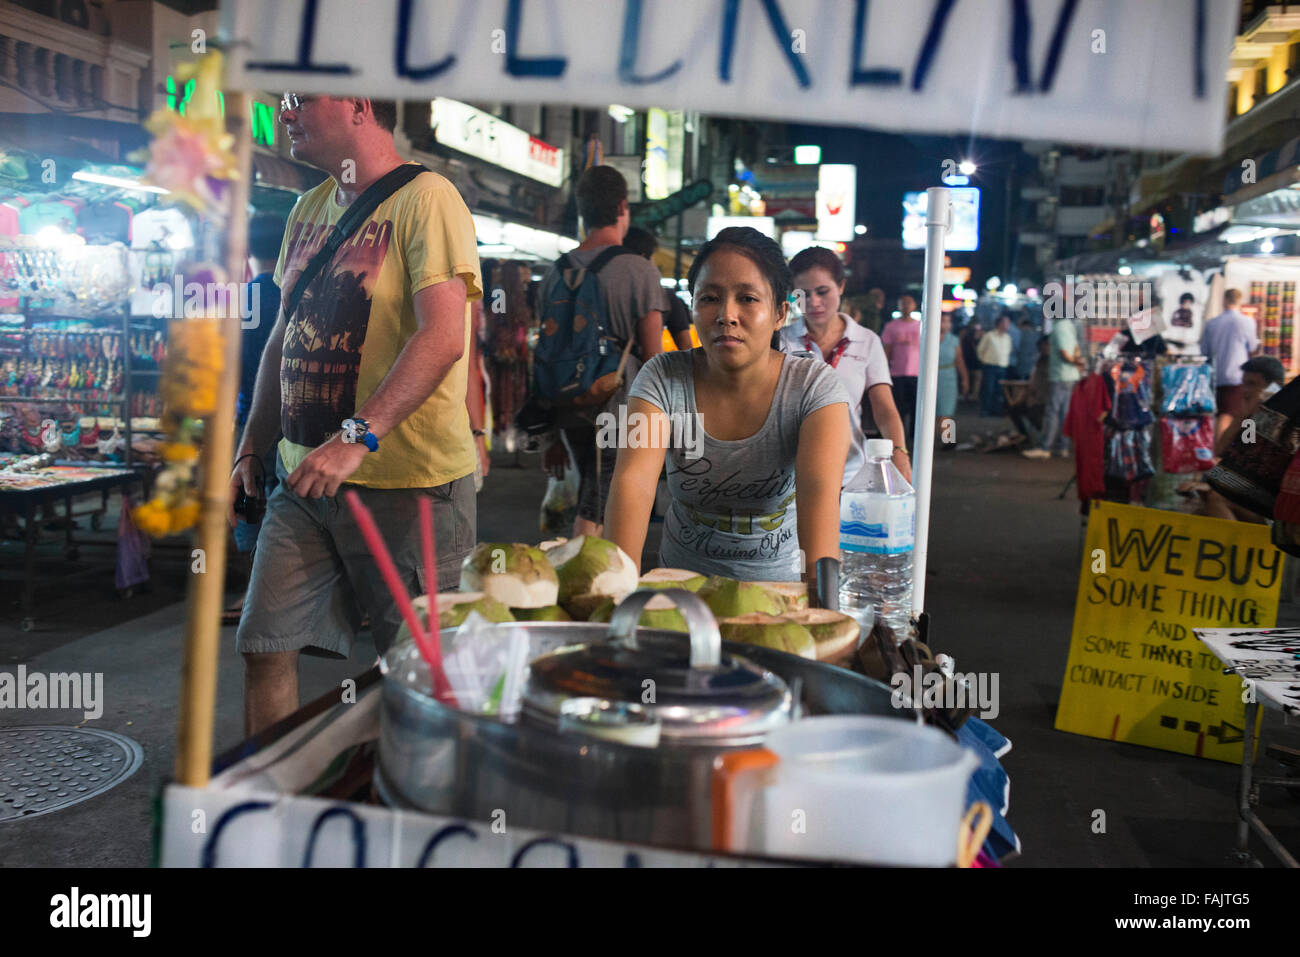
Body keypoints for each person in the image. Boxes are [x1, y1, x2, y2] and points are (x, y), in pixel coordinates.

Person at [229, 93, 481, 735]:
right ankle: (273, 800)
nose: (284, 113)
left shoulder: (428, 199)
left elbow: (443, 337)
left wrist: (356, 436)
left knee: (421, 672)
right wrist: (252, 445)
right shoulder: (307, 208)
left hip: (410, 489)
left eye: (298, 99)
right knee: (264, 646)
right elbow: (283, 336)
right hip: (303, 482)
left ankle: (417, 813)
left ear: (359, 104)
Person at [605, 226, 850, 582]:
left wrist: (823, 612)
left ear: (780, 313)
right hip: (680, 594)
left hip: (777, 596)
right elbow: (634, 483)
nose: (726, 315)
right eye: (709, 298)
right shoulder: (662, 378)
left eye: (748, 298)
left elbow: (820, 495)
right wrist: (616, 598)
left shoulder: (813, 389)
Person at [536, 166, 664, 537]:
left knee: (595, 496)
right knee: (600, 506)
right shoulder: (640, 271)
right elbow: (654, 359)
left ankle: (589, 572)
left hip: (568, 408)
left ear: (581, 211)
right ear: (622, 206)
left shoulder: (555, 272)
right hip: (621, 409)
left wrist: (548, 433)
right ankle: (588, 581)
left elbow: (543, 353)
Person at [783, 246, 911, 484]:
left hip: (849, 474)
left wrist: (900, 453)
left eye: (823, 291)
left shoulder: (867, 341)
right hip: (789, 476)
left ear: (841, 286)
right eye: (803, 294)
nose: (814, 302)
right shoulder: (780, 341)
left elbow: (884, 408)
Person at [1204, 355, 1285, 522]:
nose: (1246, 390)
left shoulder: (1282, 418)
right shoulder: (1252, 415)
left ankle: (1232, 546)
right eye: (1244, 384)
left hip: (1276, 502)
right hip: (1258, 492)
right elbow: (1220, 450)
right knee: (1202, 505)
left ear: (1273, 387)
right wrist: (1244, 415)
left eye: (1252, 384)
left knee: (1215, 497)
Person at [1023, 308, 1084, 459]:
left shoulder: (1059, 328)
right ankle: (1062, 447)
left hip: (1060, 375)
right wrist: (1078, 362)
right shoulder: (1070, 326)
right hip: (1070, 376)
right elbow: (1075, 348)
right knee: (1064, 412)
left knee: (1053, 412)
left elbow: (1064, 352)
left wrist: (1075, 361)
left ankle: (1046, 447)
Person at [1201, 288, 1261, 440]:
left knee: (1221, 413)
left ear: (1224, 301)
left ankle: (1219, 451)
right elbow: (1253, 348)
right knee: (1229, 415)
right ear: (1240, 301)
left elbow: (1204, 351)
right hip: (1238, 374)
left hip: (1216, 375)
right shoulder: (1247, 322)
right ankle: (1219, 454)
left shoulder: (1212, 324)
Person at [624, 225, 693, 351]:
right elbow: (686, 347)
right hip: (640, 367)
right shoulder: (666, 296)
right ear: (643, 257)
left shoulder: (603, 288)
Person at [881, 294, 921, 440]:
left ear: (914, 306)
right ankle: (899, 435)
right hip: (897, 372)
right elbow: (888, 348)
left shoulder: (921, 325)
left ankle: (915, 435)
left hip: (917, 373)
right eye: (903, 303)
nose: (906, 306)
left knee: (917, 407)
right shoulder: (891, 326)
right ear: (899, 306)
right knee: (898, 407)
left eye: (909, 303)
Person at [935, 311, 970, 450]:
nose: (946, 324)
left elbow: (959, 360)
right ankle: (930, 440)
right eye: (943, 321)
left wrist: (965, 379)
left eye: (948, 321)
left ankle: (948, 440)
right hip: (931, 377)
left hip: (949, 377)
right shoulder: (927, 337)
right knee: (933, 411)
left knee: (947, 410)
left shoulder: (954, 339)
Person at [1006, 336, 1049, 444]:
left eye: (1044, 347)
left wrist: (1034, 398)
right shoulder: (1040, 361)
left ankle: (1045, 438)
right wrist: (1026, 397)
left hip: (1044, 400)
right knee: (1014, 409)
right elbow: (1033, 383)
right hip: (1037, 398)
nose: (1042, 349)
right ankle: (1025, 436)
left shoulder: (1052, 364)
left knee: (1033, 412)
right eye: (1040, 347)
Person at [976, 312, 1014, 417]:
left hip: (1002, 367)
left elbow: (1009, 351)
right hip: (990, 366)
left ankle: (996, 410)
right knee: (988, 389)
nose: (1008, 325)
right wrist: (984, 361)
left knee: (999, 390)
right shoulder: (989, 336)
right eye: (1006, 323)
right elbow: (980, 350)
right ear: (1000, 324)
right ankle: (985, 410)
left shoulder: (1007, 337)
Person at [960, 320, 983, 402]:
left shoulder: (982, 337)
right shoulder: (968, 337)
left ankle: (974, 395)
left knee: (977, 379)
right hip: (968, 360)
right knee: (968, 378)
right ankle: (966, 394)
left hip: (976, 361)